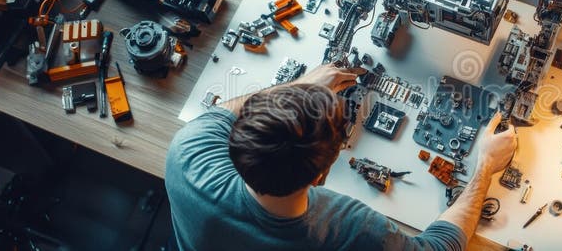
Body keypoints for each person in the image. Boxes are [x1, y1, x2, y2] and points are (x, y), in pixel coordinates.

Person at [165, 64, 517, 250]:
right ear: (321, 175)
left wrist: (299, 89)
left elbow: (224, 113)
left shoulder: (187, 154)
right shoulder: (349, 230)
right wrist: (485, 166)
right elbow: (439, 248)